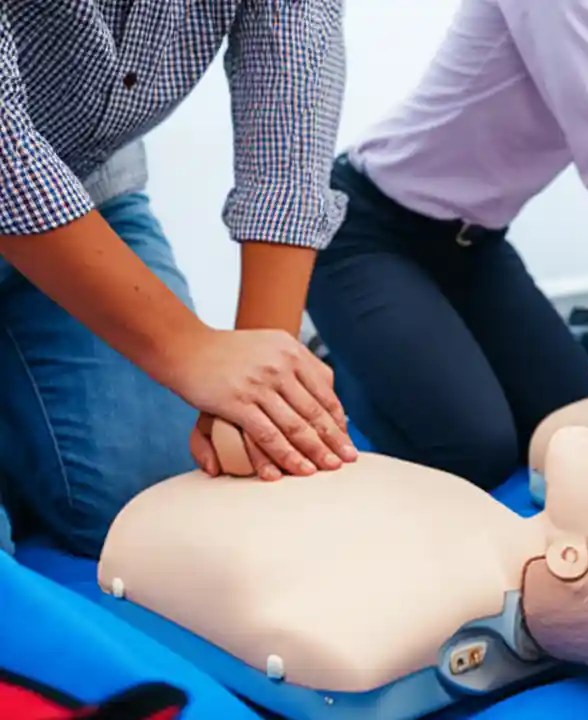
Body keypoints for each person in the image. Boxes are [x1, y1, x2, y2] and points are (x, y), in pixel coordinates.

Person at [305, 0, 588, 492]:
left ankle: (401, 345)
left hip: (475, 248)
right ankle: (344, 356)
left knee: (574, 426)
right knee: (472, 449)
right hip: (368, 232)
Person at [0, 3, 357, 557]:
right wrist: (186, 347)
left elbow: (292, 106)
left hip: (87, 190)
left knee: (153, 504)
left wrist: (257, 398)